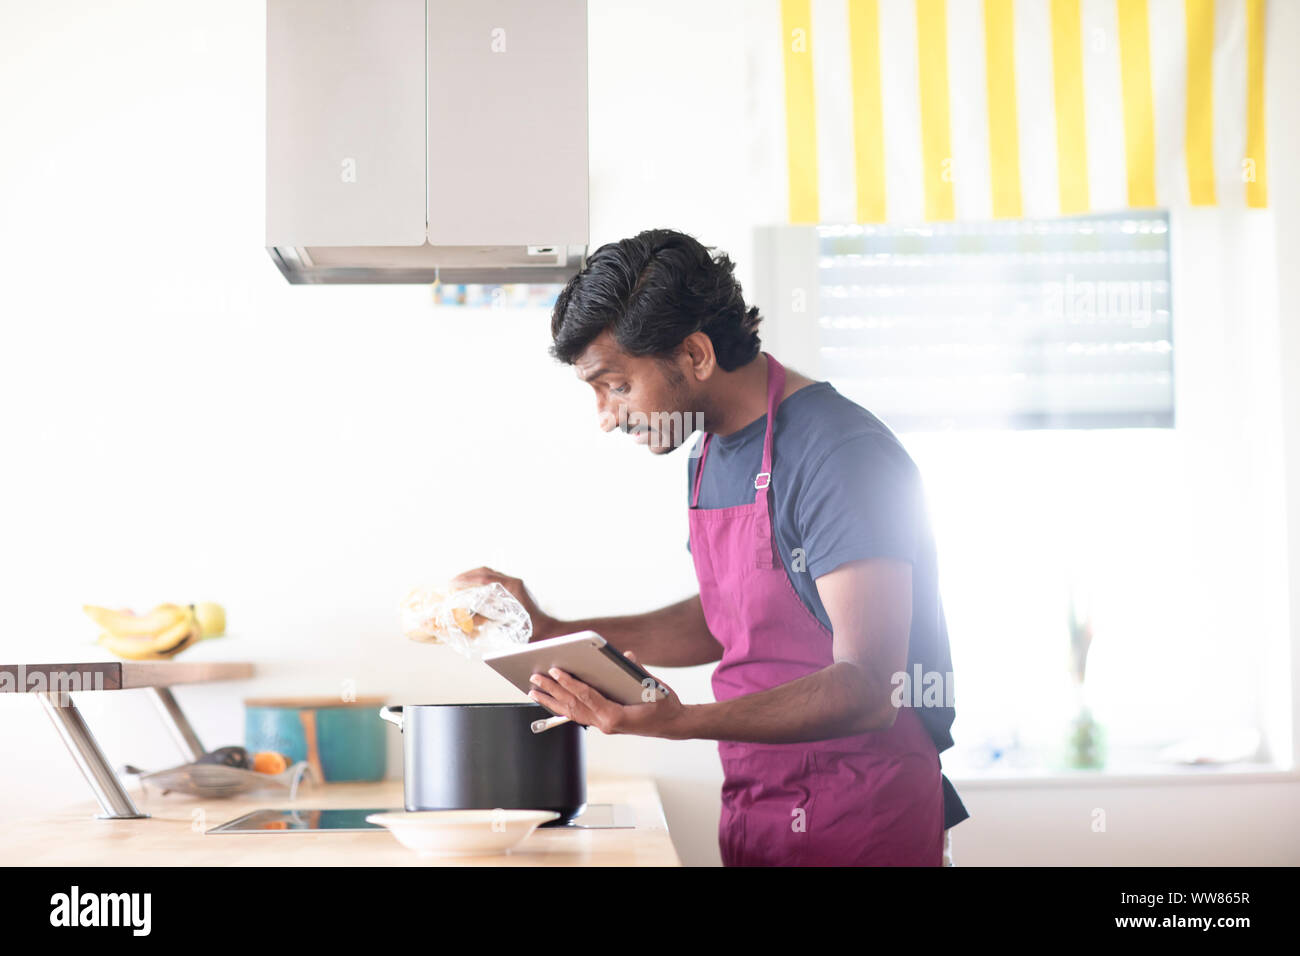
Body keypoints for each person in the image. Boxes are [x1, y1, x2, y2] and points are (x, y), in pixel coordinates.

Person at [453, 228, 968, 866]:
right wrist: (557, 631)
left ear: (696, 355)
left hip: (861, 817)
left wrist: (678, 720)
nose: (607, 417)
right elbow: (727, 618)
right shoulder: (709, 452)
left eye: (615, 385)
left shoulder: (841, 453)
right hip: (758, 808)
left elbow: (869, 687)